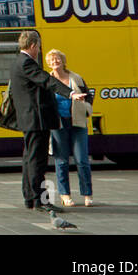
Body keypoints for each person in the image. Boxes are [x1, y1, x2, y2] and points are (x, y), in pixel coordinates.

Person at [8, 31, 83, 211]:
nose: (40, 50)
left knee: (29, 159)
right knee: (37, 161)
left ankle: (30, 198)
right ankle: (40, 200)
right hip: (36, 119)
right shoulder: (27, 63)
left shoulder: (17, 62)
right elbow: (47, 80)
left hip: (29, 119)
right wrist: (71, 93)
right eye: (39, 47)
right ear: (33, 45)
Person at [47, 49, 93, 207]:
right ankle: (65, 194)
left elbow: (89, 95)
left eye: (57, 59)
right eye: (52, 60)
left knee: (82, 160)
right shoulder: (47, 80)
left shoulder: (76, 78)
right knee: (61, 161)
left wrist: (86, 108)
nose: (55, 62)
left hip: (78, 121)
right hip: (58, 124)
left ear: (63, 61)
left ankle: (87, 194)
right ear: (48, 63)